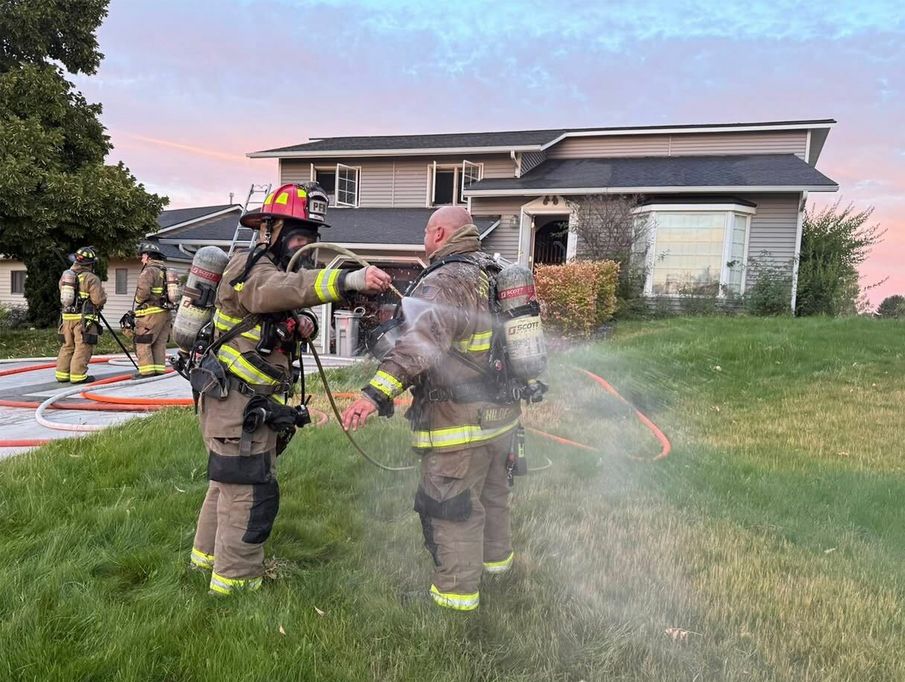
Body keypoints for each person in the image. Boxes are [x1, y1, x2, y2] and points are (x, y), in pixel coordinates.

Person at [189, 182, 392, 596]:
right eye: (298, 237)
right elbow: (272, 293)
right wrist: (347, 280)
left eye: (311, 239)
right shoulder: (253, 268)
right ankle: (236, 584)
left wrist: (304, 324)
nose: (305, 246)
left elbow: (290, 311)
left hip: (245, 405)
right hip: (236, 406)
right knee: (248, 494)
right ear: (270, 230)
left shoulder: (279, 273)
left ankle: (205, 560)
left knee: (226, 487)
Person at [342, 206, 521, 612]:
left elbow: (418, 346)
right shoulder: (492, 273)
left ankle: (455, 601)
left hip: (459, 424)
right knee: (493, 497)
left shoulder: (446, 281)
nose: (425, 239)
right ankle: (498, 571)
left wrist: (373, 395)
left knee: (451, 506)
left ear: (439, 233)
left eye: (426, 232)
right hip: (501, 417)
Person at [56, 246, 107, 384]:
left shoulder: (66, 276)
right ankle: (78, 376)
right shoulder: (91, 278)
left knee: (67, 345)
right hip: (83, 319)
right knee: (82, 346)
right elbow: (98, 300)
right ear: (90, 264)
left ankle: (62, 374)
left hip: (66, 318)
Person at [131, 242, 172, 378]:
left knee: (143, 341)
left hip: (150, 314)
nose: (141, 259)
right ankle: (158, 371)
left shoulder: (149, 271)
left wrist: (137, 301)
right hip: (165, 314)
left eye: (142, 256)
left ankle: (147, 372)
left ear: (148, 256)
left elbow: (143, 293)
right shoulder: (164, 270)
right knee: (159, 343)